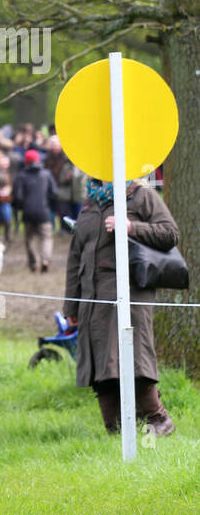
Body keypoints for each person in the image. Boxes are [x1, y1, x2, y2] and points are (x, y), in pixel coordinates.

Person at [65, 177, 179, 436]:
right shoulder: (90, 200)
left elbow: (170, 233)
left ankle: (159, 421)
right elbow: (75, 258)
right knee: (100, 364)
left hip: (130, 295)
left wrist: (130, 227)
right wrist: (70, 306)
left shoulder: (141, 195)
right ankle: (114, 433)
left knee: (134, 359)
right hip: (92, 299)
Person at [13, 148, 57, 272]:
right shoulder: (46, 174)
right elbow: (54, 192)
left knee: (29, 239)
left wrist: (21, 207)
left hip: (28, 213)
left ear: (26, 161)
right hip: (44, 212)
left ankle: (34, 263)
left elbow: (18, 196)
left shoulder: (21, 176)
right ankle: (45, 260)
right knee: (46, 237)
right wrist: (50, 205)